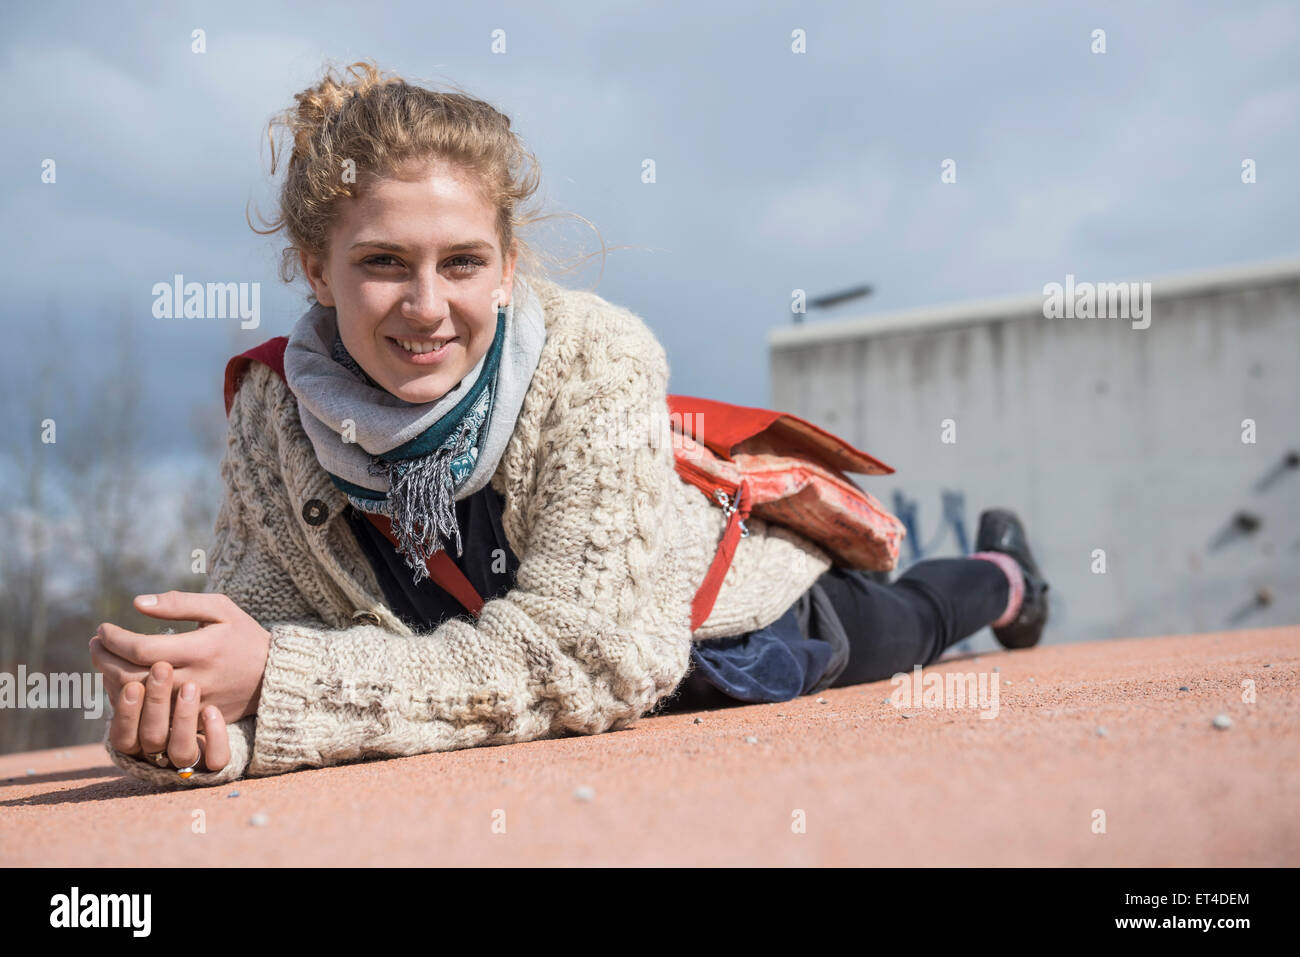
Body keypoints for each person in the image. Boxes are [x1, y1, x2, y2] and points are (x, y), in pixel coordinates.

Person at [89, 61, 1049, 788]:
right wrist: (194, 728)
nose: (426, 307)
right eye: (383, 262)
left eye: (462, 263)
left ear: (506, 266)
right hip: (470, 672)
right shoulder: (272, 413)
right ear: (315, 268)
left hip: (723, 626)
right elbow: (263, 643)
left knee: (913, 621)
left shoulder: (598, 356)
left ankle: (1008, 578)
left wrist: (279, 681)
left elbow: (587, 658)